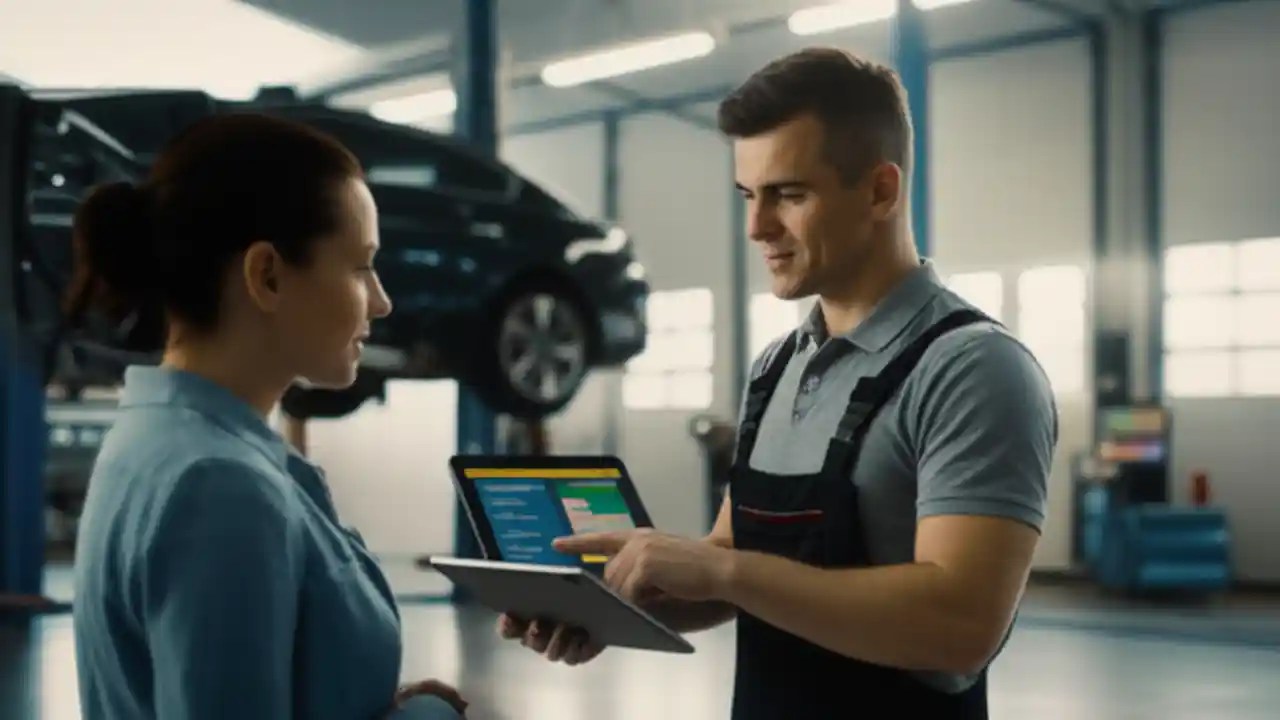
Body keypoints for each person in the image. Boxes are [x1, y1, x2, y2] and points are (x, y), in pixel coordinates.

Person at [499, 47, 1058, 719]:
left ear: (881, 190)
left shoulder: (973, 368)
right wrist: (618, 603)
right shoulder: (775, 367)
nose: (757, 228)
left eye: (789, 195)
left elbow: (961, 626)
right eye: (748, 196)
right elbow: (735, 573)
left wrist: (722, 570)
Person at [68, 113, 467, 720]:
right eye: (361, 266)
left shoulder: (156, 437)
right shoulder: (219, 486)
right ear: (268, 276)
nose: (381, 301)